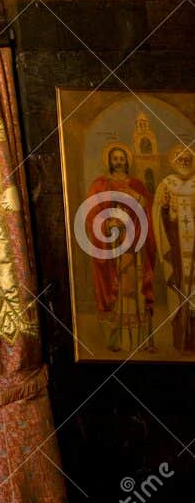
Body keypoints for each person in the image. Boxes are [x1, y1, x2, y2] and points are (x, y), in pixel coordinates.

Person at [84, 143, 156, 353]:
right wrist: (107, 224)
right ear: (109, 161)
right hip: (113, 246)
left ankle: (141, 341)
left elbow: (147, 209)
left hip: (134, 246)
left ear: (127, 161)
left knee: (135, 287)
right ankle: (117, 340)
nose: (118, 162)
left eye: (121, 158)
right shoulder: (101, 185)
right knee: (118, 288)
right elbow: (91, 213)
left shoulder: (137, 184)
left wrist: (135, 196)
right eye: (114, 158)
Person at [152, 144, 195, 353]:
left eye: (188, 158)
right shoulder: (167, 184)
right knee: (178, 291)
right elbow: (159, 215)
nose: (184, 162)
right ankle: (182, 342)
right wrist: (165, 208)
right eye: (180, 159)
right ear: (173, 161)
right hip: (176, 248)